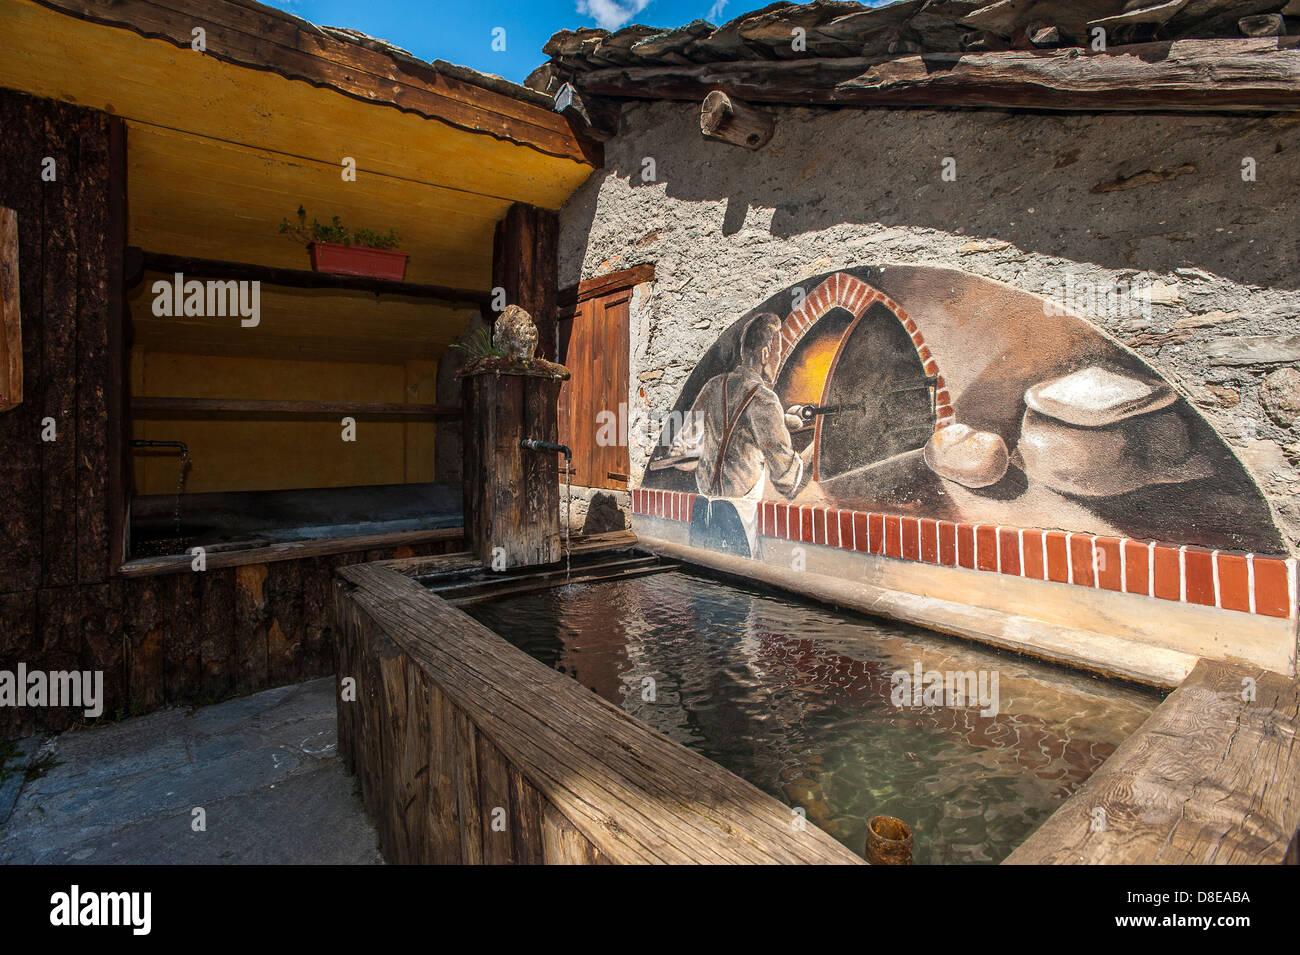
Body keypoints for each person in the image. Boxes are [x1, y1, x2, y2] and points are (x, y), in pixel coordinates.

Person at [668, 312, 814, 557]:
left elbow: (683, 454)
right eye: (778, 352)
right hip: (736, 521)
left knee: (702, 576)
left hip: (702, 513)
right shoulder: (764, 400)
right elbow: (788, 480)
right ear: (765, 353)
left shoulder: (712, 386)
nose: (779, 358)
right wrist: (819, 443)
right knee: (737, 580)